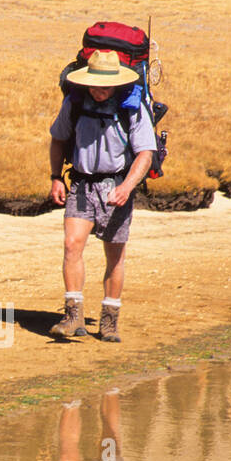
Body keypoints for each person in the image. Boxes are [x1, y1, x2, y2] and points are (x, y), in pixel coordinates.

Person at [48, 49, 156, 342]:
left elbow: (146, 154)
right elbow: (58, 139)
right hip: (82, 185)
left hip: (115, 187)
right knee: (72, 245)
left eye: (104, 86)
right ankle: (73, 316)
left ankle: (109, 321)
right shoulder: (74, 102)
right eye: (94, 85)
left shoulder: (131, 107)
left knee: (115, 254)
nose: (98, 91)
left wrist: (126, 187)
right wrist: (56, 177)